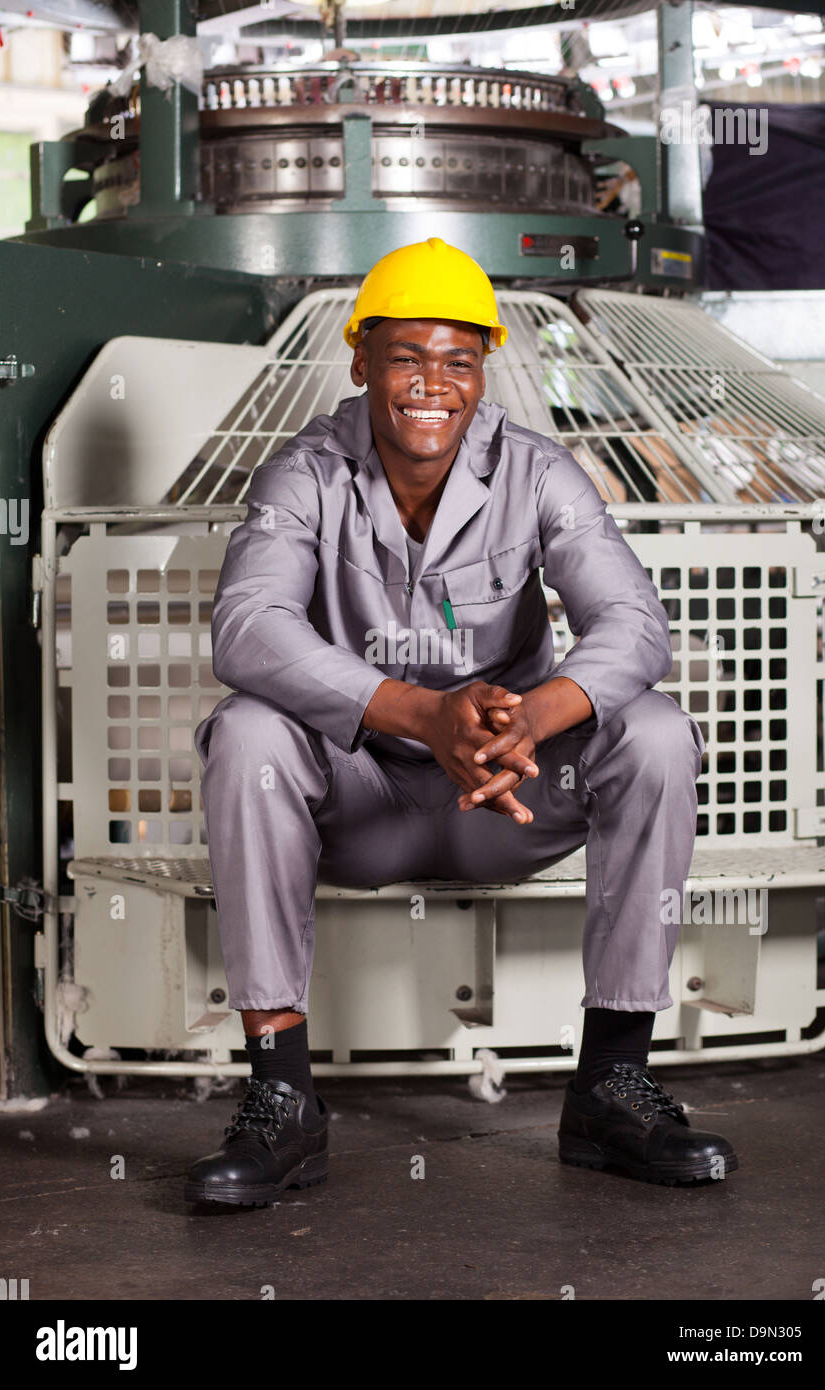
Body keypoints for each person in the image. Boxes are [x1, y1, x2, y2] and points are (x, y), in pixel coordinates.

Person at [185, 237, 737, 1206]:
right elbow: (246, 627)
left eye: (458, 361)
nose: (431, 384)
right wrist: (418, 712)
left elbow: (632, 625)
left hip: (506, 796)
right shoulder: (303, 473)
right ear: (360, 362)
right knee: (246, 731)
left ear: (484, 370)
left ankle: (611, 1080)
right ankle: (282, 1101)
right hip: (361, 806)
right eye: (406, 357)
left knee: (651, 729)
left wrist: (529, 718)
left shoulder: (535, 472)